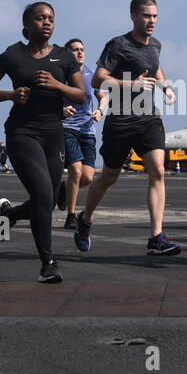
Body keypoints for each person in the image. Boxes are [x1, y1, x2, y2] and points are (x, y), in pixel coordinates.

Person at [0, 1, 85, 283]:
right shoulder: (12, 55)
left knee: (46, 201)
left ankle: (10, 214)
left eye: (50, 18)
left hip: (54, 135)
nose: (47, 23)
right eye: (40, 18)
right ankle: (48, 263)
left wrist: (56, 85)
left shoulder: (64, 57)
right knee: (42, 193)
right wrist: (10, 95)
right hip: (22, 133)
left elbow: (81, 95)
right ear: (27, 25)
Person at [74, 0, 181, 256]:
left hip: (149, 117)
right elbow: (98, 80)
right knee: (110, 176)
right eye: (146, 15)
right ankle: (85, 219)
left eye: (155, 16)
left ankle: (157, 237)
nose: (152, 20)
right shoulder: (118, 45)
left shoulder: (155, 45)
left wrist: (166, 87)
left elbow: (155, 68)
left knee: (158, 169)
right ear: (133, 16)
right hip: (120, 120)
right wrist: (129, 84)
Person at [59, 38, 107, 230]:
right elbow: (49, 98)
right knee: (76, 171)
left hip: (87, 130)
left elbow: (102, 97)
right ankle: (71, 215)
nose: (80, 53)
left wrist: (100, 111)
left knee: (87, 177)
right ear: (67, 53)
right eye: (75, 50)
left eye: (82, 49)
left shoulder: (90, 74)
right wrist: (60, 110)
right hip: (67, 128)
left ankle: (63, 190)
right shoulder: (61, 74)